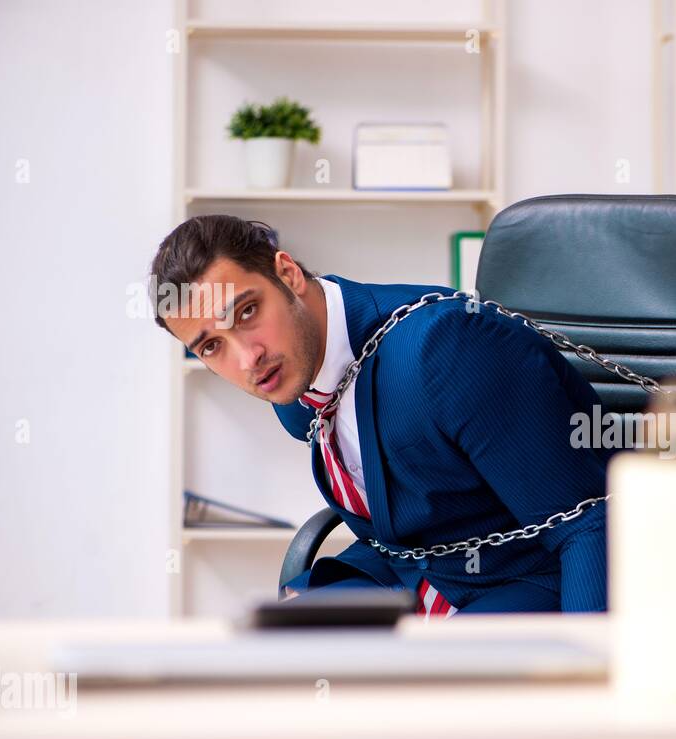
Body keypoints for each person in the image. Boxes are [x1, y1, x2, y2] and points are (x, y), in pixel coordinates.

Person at [151, 215, 610, 615]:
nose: (247, 359)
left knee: (410, 697)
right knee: (273, 654)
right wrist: (320, 600)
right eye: (211, 346)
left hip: (530, 578)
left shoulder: (446, 348)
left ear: (287, 273)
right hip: (418, 576)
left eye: (248, 312)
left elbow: (589, 524)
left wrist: (597, 681)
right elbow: (407, 519)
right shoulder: (290, 389)